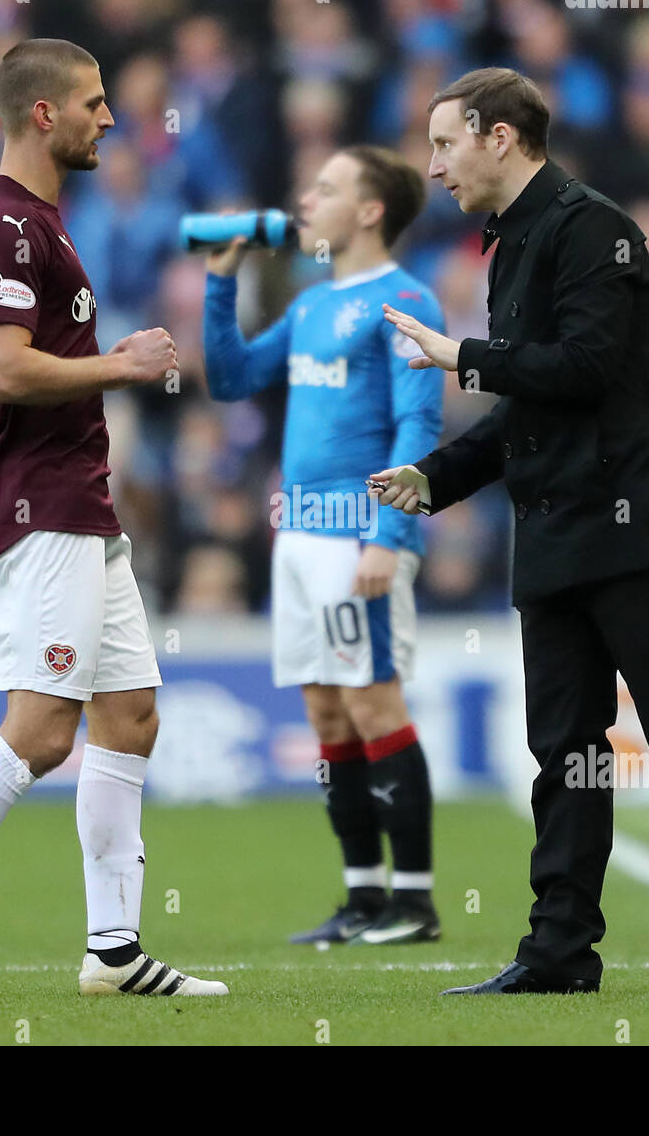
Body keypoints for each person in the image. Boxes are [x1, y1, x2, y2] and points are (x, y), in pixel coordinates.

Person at [374, 67, 649, 996]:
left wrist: (462, 355)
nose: (433, 167)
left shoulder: (596, 230)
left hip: (628, 526)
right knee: (566, 754)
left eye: (446, 143)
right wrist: (439, 475)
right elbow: (535, 404)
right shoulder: (514, 243)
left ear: (501, 137)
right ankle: (559, 950)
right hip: (554, 532)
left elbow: (585, 366)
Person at [0, 38, 227, 999]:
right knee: (42, 728)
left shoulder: (16, 225)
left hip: (82, 502)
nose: (109, 118)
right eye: (95, 103)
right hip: (45, 505)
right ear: (42, 114)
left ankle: (113, 952)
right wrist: (123, 364)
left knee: (131, 714)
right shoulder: (10, 228)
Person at [202, 146, 445, 945]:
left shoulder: (406, 300)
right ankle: (362, 897)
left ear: (371, 211)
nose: (308, 200)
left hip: (357, 532)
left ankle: (414, 899)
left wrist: (391, 531)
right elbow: (233, 379)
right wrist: (219, 283)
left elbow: (419, 422)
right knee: (326, 711)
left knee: (375, 700)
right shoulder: (311, 305)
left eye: (329, 188)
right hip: (298, 531)